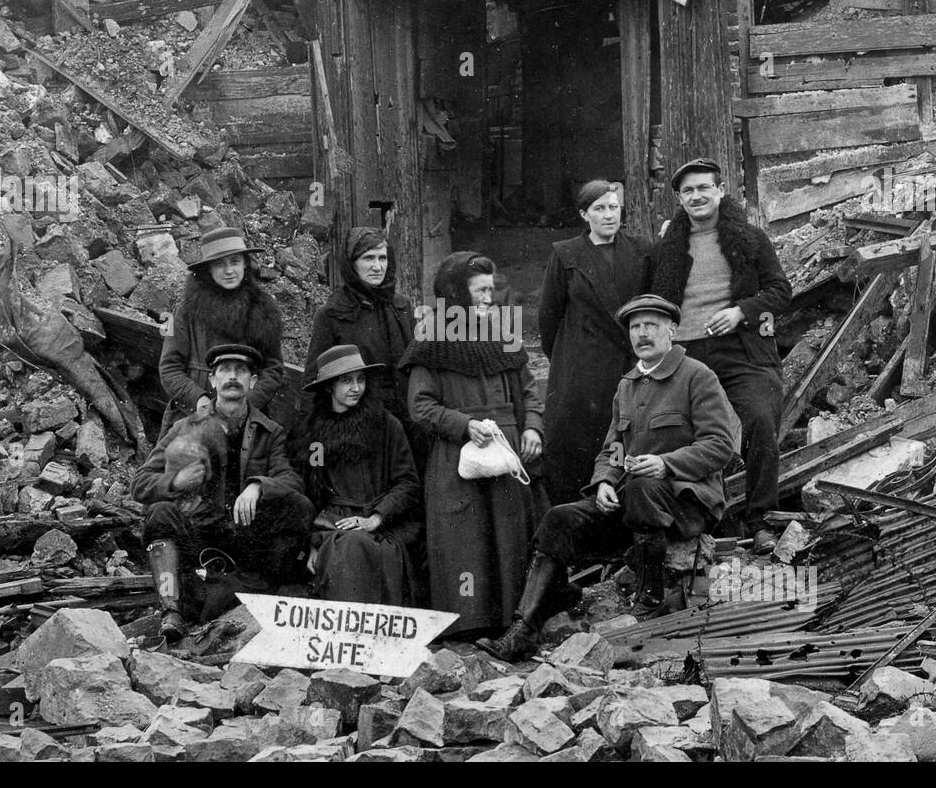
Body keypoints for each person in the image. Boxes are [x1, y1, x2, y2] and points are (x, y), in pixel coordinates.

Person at [481, 295, 740, 662]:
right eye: (635, 327)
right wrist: (604, 481)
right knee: (560, 518)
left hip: (688, 503)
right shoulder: (628, 385)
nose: (642, 334)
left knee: (643, 486)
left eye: (652, 325)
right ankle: (525, 628)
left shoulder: (697, 376)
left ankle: (649, 598)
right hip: (635, 503)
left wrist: (666, 464)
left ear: (673, 331)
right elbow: (612, 449)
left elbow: (720, 445)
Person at [644, 157, 791, 554]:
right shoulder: (666, 249)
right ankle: (695, 526)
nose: (697, 196)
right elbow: (650, 304)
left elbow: (780, 291)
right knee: (680, 436)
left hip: (742, 352)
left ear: (720, 191)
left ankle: (760, 520)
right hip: (687, 357)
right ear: (679, 199)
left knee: (759, 421)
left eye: (704, 187)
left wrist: (741, 310)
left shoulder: (751, 239)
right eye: (688, 191)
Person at [400, 251, 543, 638]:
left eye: (491, 290)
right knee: (465, 538)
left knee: (509, 534)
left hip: (508, 448)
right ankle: (468, 625)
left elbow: (529, 392)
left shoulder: (503, 333)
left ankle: (514, 622)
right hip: (457, 455)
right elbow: (420, 405)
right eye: (478, 291)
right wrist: (463, 424)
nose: (488, 298)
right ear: (456, 294)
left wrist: (532, 428)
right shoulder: (431, 339)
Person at [131, 343, 314, 641]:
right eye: (225, 371)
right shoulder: (184, 427)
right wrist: (176, 482)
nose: (233, 377)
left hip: (248, 538)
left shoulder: (270, 432)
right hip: (199, 534)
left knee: (298, 506)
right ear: (212, 381)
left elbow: (291, 478)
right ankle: (172, 610)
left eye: (241, 371)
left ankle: (264, 591)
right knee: (159, 513)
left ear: (252, 382)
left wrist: (258, 486)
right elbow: (140, 483)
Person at [538, 180, 648, 505]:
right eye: (599, 209)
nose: (608, 215)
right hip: (581, 368)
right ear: (585, 214)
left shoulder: (641, 250)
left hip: (627, 364)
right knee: (573, 440)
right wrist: (568, 359)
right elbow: (549, 318)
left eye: (613, 207)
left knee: (622, 437)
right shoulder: (566, 254)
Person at [289, 344, 423, 605]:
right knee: (346, 545)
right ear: (328, 387)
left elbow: (407, 482)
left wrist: (375, 518)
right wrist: (313, 544)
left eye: (361, 380)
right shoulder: (313, 435)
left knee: (357, 545)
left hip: (383, 523)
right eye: (346, 381)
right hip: (332, 524)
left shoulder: (386, 425)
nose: (356, 388)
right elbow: (311, 494)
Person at [304, 226, 420, 460]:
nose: (378, 267)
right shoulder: (332, 314)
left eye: (383, 258)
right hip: (359, 426)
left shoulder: (401, 307)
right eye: (368, 258)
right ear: (351, 263)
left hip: (406, 424)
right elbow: (313, 382)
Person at [159, 227, 285, 430]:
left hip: (245, 417)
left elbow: (273, 369)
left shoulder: (264, 308)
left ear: (245, 263)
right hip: (192, 415)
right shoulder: (185, 311)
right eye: (219, 264)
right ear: (208, 269)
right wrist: (198, 400)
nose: (228, 271)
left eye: (235, 262)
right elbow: (169, 368)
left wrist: (246, 405)